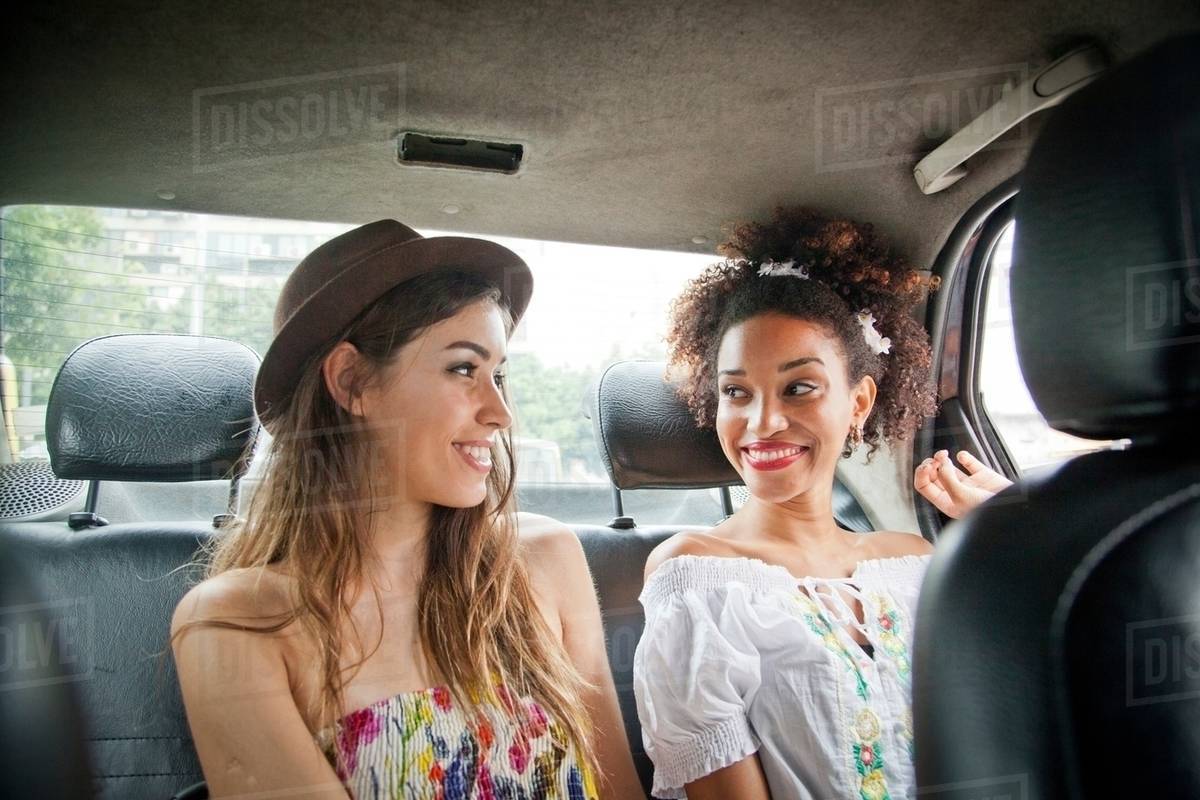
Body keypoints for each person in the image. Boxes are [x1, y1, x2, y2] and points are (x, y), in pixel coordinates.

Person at [170, 220, 644, 799]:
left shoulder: (545, 559)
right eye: (464, 369)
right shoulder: (238, 623)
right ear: (351, 381)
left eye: (498, 376)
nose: (501, 412)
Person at [633, 206, 954, 800]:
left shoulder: (915, 563)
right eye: (736, 392)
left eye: (798, 387)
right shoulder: (697, 578)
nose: (763, 422)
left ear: (858, 403)